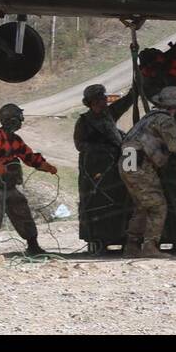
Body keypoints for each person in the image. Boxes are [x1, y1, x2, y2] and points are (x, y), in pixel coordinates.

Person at [0, 103, 57, 259]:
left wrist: (44, 165)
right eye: (18, 118)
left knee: (21, 208)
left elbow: (28, 156)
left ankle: (33, 246)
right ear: (11, 120)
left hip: (8, 184)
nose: (21, 121)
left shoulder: (15, 140)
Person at [118, 87, 176, 259]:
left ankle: (132, 245)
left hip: (127, 163)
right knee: (157, 206)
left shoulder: (148, 118)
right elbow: (173, 146)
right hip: (140, 164)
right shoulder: (166, 120)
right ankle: (150, 246)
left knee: (142, 205)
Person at [73, 81, 138, 244]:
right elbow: (80, 145)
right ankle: (98, 237)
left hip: (114, 166)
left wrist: (135, 89)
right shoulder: (84, 121)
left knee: (119, 198)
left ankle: (121, 234)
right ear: (91, 103)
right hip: (95, 168)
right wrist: (101, 149)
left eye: (103, 99)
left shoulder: (109, 113)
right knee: (98, 202)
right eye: (99, 100)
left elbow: (126, 102)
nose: (103, 102)